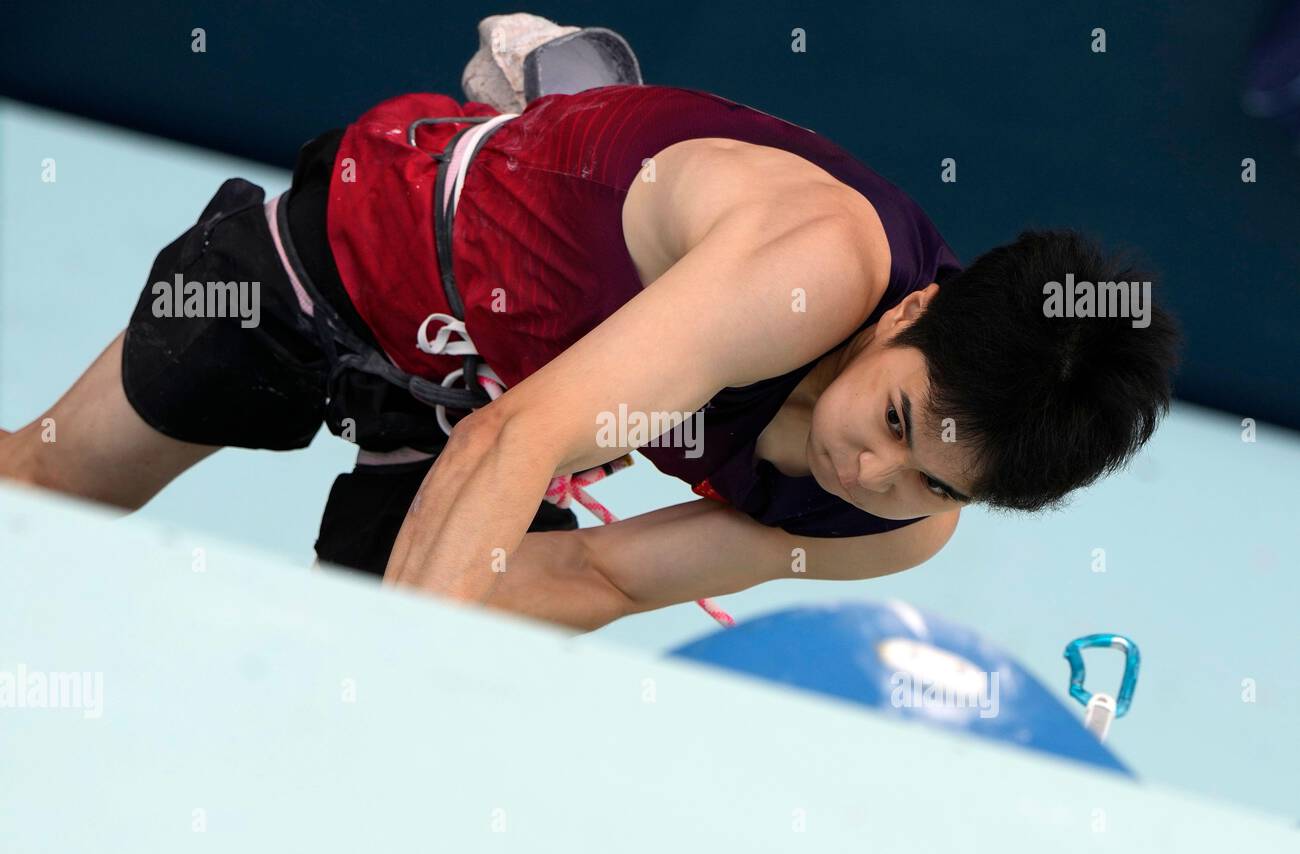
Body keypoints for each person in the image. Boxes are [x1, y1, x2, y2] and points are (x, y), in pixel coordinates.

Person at [0, 81, 1180, 631]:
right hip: (357, 256)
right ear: (902, 317)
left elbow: (603, 578)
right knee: (50, 489)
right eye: (897, 424)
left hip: (497, 401)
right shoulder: (807, 266)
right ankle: (547, 107)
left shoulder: (889, 531)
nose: (875, 479)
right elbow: (527, 442)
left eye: (933, 481)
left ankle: (563, 100)